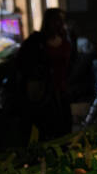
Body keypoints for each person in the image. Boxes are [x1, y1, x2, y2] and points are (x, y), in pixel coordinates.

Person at [12, 9, 82, 141]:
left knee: (64, 128)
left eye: (62, 20)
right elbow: (21, 63)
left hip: (61, 90)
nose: (60, 24)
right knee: (46, 129)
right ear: (48, 22)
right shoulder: (36, 42)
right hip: (43, 94)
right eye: (56, 20)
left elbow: (72, 62)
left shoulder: (67, 39)